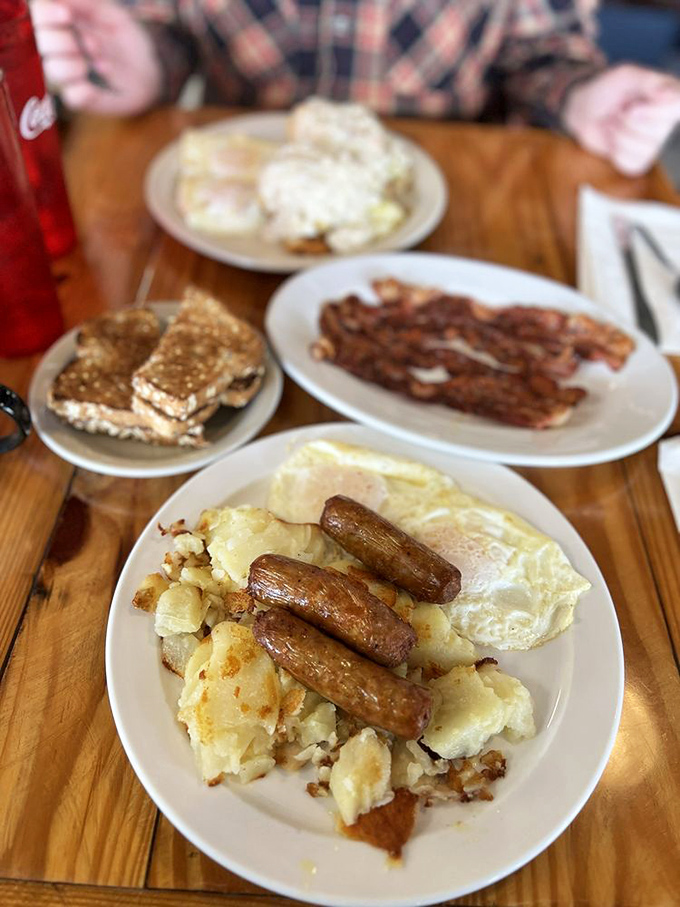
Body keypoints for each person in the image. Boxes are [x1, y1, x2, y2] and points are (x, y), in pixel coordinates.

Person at [32, 0, 680, 176]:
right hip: (241, 213)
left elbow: (540, 55)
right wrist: (143, 62)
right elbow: (172, 31)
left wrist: (578, 96)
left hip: (449, 211)